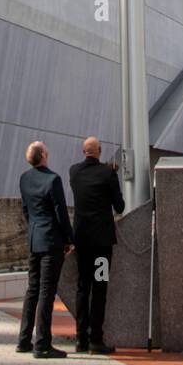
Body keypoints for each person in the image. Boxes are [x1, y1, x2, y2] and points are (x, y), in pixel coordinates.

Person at [16, 140, 74, 358]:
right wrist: (69, 239)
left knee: (32, 289)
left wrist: (34, 229)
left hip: (34, 239)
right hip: (51, 241)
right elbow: (60, 213)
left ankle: (23, 340)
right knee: (46, 292)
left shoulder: (24, 179)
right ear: (43, 156)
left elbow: (26, 210)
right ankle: (42, 344)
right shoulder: (53, 180)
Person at [69, 136, 125, 354]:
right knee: (100, 288)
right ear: (100, 151)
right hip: (102, 244)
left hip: (81, 241)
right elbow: (119, 206)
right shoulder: (108, 173)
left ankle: (80, 339)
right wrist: (113, 174)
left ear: (84, 151)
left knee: (82, 288)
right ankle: (96, 340)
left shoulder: (73, 172)